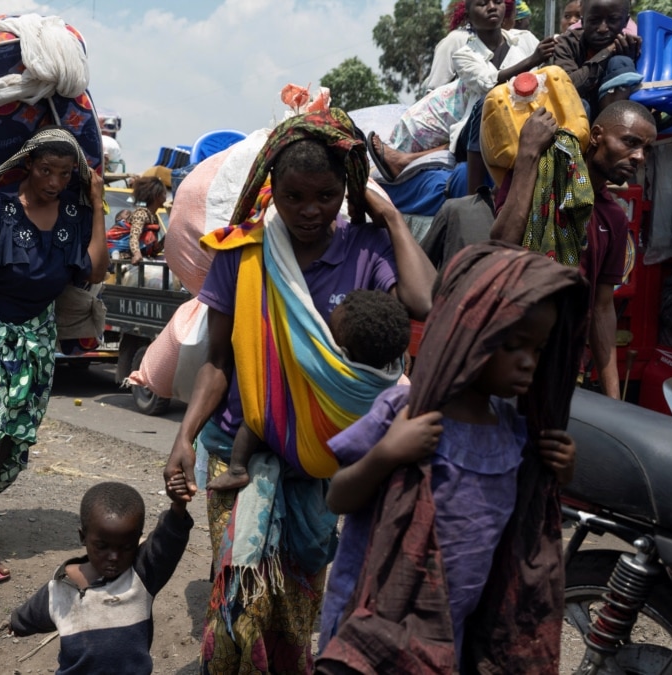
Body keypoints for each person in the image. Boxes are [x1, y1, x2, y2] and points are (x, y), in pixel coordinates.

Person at [162, 109, 435, 673]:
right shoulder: (242, 252)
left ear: (346, 190)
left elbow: (424, 301)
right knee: (242, 596)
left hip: (318, 459)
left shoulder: (364, 249)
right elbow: (219, 359)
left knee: (296, 603)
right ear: (272, 191)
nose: (310, 210)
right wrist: (184, 437)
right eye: (294, 196)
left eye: (326, 195)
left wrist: (391, 218)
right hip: (237, 445)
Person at [318, 242, 587, 671]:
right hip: (378, 616)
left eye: (538, 350)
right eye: (514, 345)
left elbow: (527, 516)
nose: (528, 363)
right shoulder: (404, 413)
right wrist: (387, 454)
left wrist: (562, 471)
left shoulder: (515, 434)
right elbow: (338, 497)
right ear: (470, 336)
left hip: (450, 625)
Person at [0, 127, 109, 583]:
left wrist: (97, 205)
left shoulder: (75, 213)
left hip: (39, 333)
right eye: (44, 170)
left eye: (63, 173)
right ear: (27, 167)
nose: (53, 181)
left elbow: (95, 269)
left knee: (16, 432)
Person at [491, 101, 657, 399]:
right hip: (508, 351)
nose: (639, 157)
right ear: (596, 136)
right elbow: (501, 244)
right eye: (630, 142)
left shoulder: (614, 217)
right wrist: (529, 153)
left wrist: (613, 402)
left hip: (562, 367)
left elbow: (603, 308)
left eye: (646, 150)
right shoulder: (541, 177)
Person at [207, 289, 411, 492]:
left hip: (306, 446)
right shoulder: (392, 370)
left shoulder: (332, 369)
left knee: (258, 414)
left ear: (345, 353)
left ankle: (236, 469)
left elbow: (298, 357)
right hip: (336, 458)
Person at [9, 480, 194, 674]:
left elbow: (166, 544)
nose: (114, 557)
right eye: (102, 546)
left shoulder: (141, 577)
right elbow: (35, 612)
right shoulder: (61, 586)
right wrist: (16, 623)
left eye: (126, 547)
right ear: (83, 537)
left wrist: (178, 507)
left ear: (138, 538)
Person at [373, 0, 555, 183]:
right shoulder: (463, 55)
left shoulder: (525, 40)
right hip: (474, 126)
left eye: (498, 1)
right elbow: (488, 83)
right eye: (482, 3)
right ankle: (472, 194)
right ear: (468, 17)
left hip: (518, 118)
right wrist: (532, 60)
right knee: (484, 108)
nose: (492, 7)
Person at [552, 0, 641, 114]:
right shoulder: (567, 43)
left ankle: (608, 128)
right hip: (575, 119)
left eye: (613, 20)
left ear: (625, 21)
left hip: (617, 119)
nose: (602, 29)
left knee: (621, 62)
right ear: (583, 21)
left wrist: (633, 60)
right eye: (594, 20)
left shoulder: (632, 46)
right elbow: (566, 88)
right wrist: (607, 52)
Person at [126, 176, 167, 264]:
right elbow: (134, 236)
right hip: (129, 261)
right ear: (157, 196)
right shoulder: (141, 214)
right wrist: (137, 254)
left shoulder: (153, 218)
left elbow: (154, 251)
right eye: (164, 194)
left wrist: (169, 236)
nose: (166, 198)